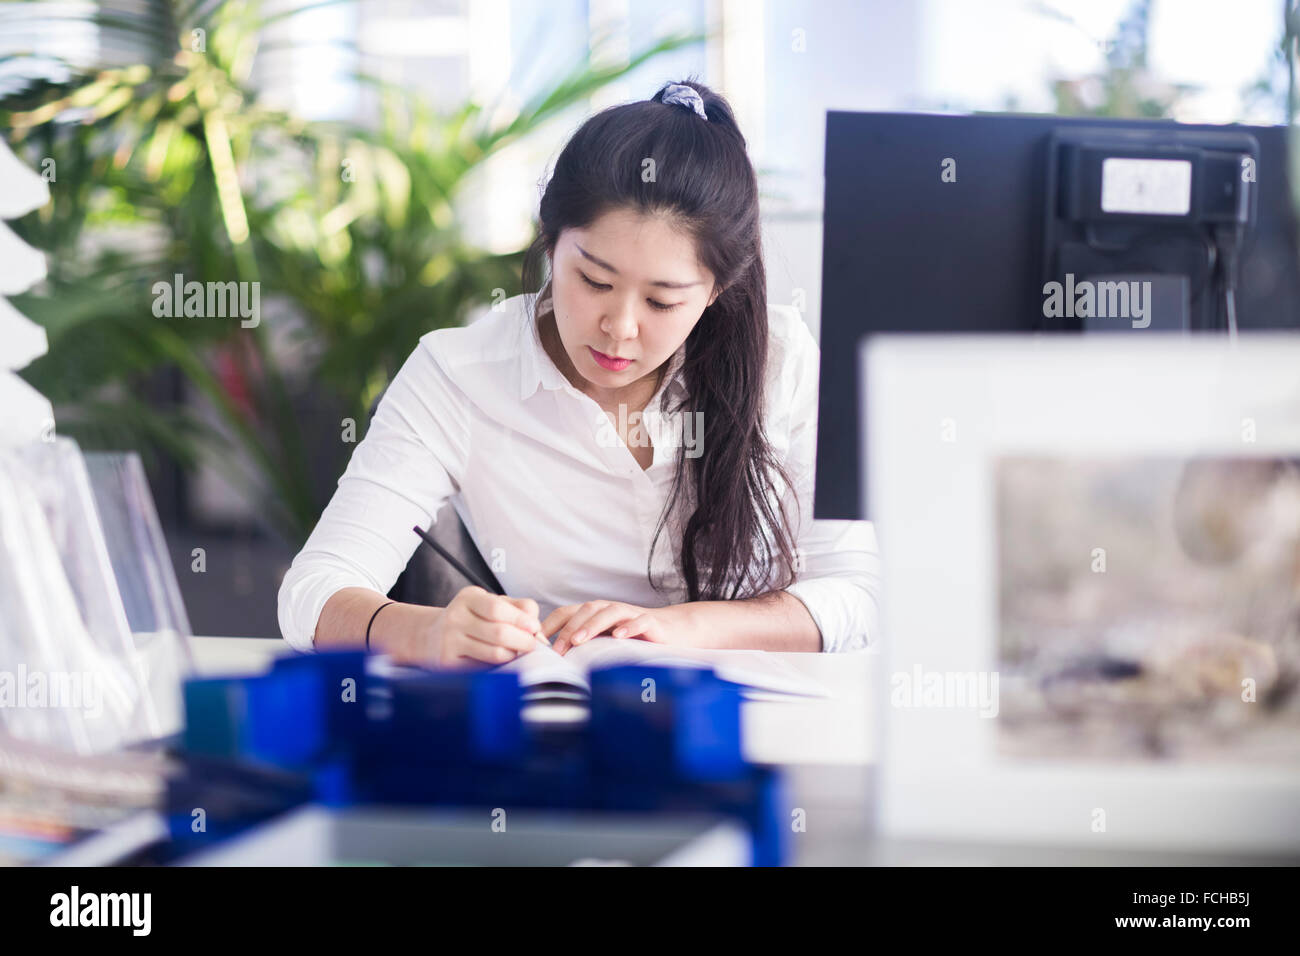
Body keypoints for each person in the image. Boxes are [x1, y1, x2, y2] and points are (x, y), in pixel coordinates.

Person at [277, 79, 880, 667]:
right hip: (569, 722)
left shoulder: (783, 362)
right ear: (550, 244)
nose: (619, 327)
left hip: (764, 724)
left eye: (663, 301)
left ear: (717, 289)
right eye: (594, 281)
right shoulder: (458, 376)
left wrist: (678, 628)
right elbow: (313, 591)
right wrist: (423, 630)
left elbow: (858, 594)